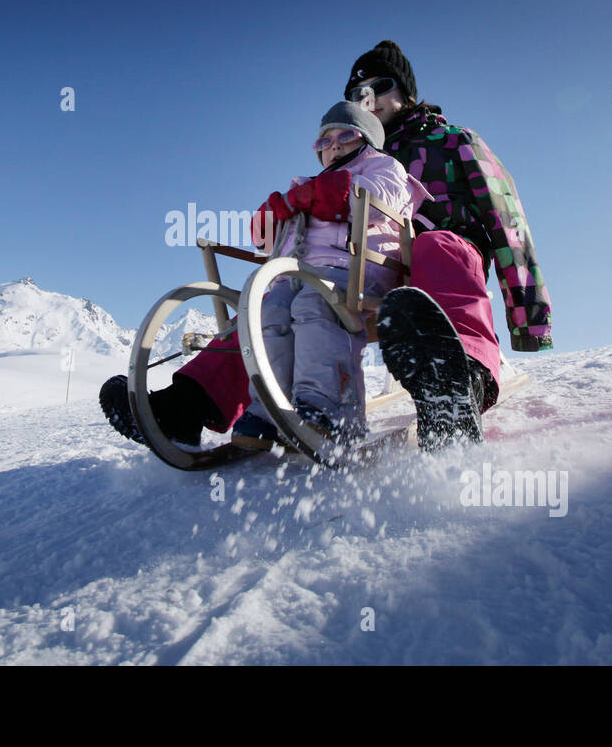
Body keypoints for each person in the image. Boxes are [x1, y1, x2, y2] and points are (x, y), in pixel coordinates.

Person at [101, 40, 553, 451]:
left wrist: (529, 317)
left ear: (408, 93)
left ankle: (456, 384)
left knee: (437, 246)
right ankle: (187, 406)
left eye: (381, 86)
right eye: (358, 95)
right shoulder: (346, 159)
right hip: (360, 264)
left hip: (438, 266)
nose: (369, 100)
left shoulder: (452, 142)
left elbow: (506, 221)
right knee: (274, 298)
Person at [229, 100, 427, 444]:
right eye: (324, 141)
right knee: (269, 313)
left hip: (356, 269)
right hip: (297, 272)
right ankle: (271, 408)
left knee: (315, 304)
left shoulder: (383, 166)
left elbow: (382, 199)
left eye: (346, 135)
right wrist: (273, 211)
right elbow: (263, 240)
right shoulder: (305, 184)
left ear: (367, 140)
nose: (333, 145)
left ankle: (329, 408)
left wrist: (311, 196)